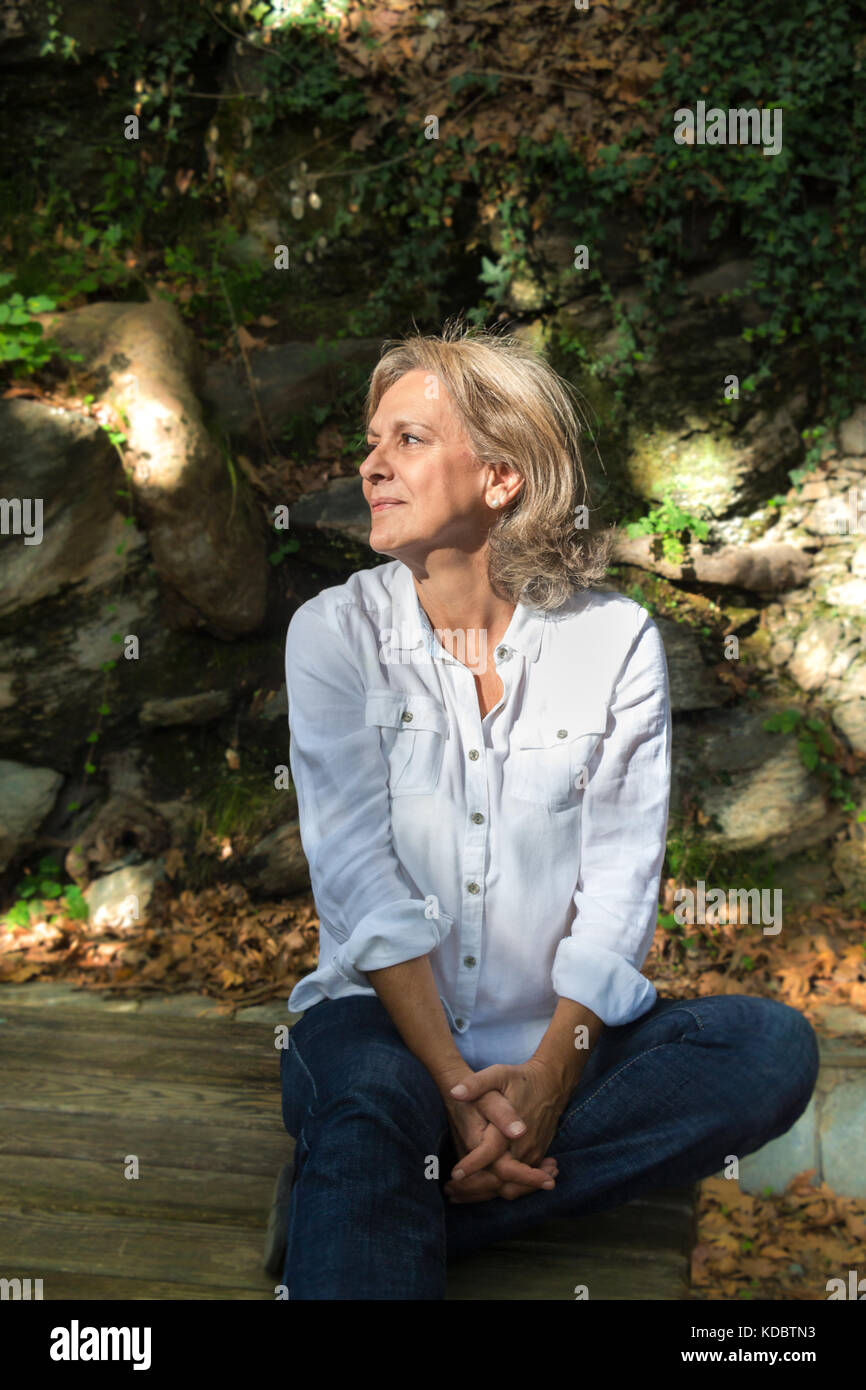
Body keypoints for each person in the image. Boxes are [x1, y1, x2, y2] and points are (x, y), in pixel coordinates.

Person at [279, 319, 819, 1300]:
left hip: (555, 1041)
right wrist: (456, 1087)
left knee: (767, 1050)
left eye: (408, 439)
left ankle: (384, 1199)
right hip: (382, 1029)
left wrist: (547, 1078)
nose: (370, 465)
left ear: (500, 478)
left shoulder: (612, 642)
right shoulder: (333, 633)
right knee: (371, 1099)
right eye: (370, 441)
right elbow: (358, 876)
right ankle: (395, 1168)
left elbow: (619, 889)